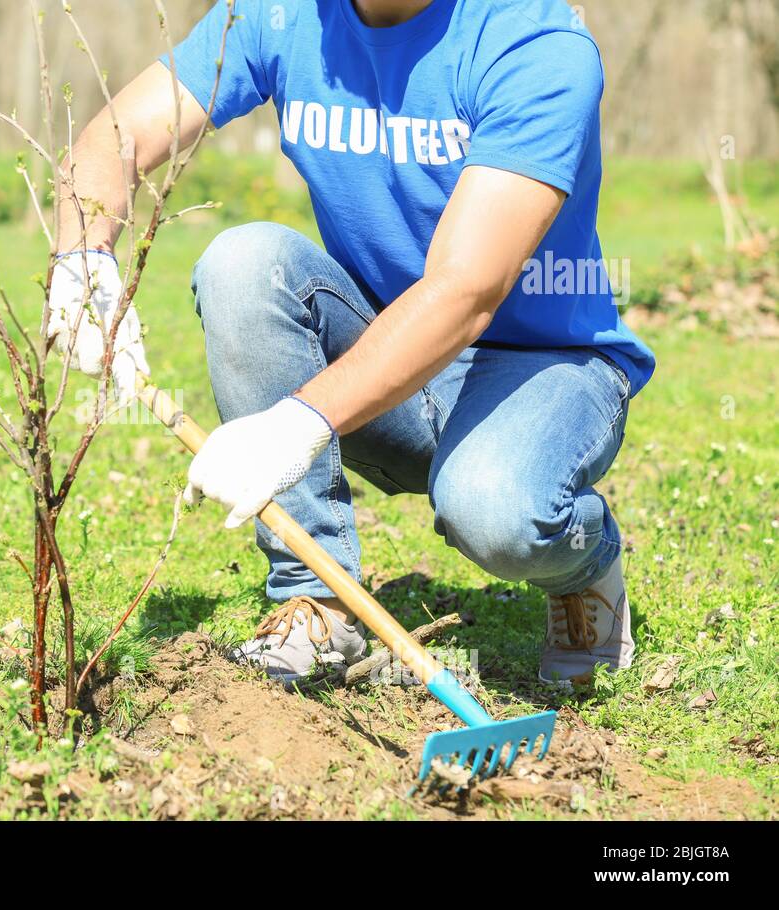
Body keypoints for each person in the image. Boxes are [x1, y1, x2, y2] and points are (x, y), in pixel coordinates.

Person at [46, 0, 653, 689]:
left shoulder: (532, 41)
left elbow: (465, 291)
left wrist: (299, 420)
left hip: (542, 364)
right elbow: (116, 135)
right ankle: (316, 601)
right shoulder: (282, 14)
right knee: (242, 263)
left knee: (494, 508)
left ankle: (585, 559)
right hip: (385, 351)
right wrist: (81, 259)